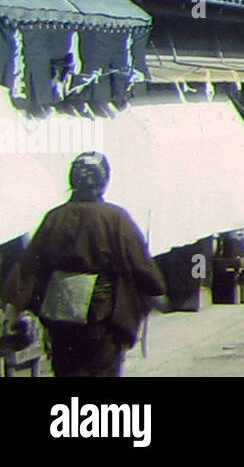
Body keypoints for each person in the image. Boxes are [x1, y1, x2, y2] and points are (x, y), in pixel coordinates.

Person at [1, 152, 166, 378]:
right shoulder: (115, 218)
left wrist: (15, 309)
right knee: (100, 368)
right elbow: (139, 263)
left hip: (59, 311)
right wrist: (156, 291)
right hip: (101, 313)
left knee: (65, 367)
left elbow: (30, 266)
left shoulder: (54, 217)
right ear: (104, 181)